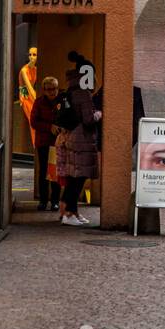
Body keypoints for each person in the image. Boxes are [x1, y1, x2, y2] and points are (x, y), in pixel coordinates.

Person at [54, 63, 102, 227]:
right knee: (78, 179)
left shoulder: (69, 93)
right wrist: (99, 114)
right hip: (82, 141)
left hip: (69, 138)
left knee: (73, 177)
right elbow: (88, 119)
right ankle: (69, 213)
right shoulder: (84, 95)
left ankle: (72, 212)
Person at [29, 76, 61, 212]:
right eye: (49, 90)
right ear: (44, 90)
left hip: (58, 142)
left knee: (56, 172)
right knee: (43, 171)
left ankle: (55, 201)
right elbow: (34, 122)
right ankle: (43, 200)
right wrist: (49, 127)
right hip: (43, 142)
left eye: (54, 89)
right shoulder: (39, 102)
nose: (52, 92)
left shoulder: (62, 101)